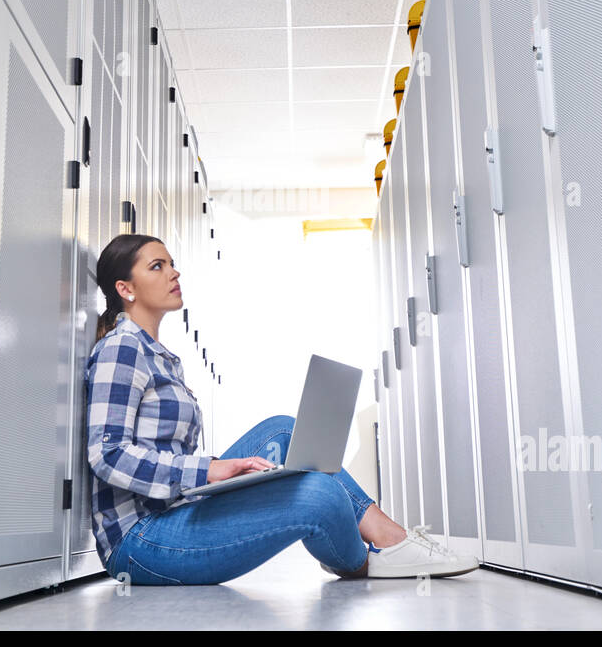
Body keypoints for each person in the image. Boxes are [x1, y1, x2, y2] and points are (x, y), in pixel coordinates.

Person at [85, 232, 480, 585]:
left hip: (176, 507)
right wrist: (209, 468)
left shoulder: (160, 355)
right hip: (141, 540)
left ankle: (392, 540)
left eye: (172, 263)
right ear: (126, 289)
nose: (174, 273)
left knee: (282, 429)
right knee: (320, 494)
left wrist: (214, 474)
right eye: (158, 266)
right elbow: (107, 455)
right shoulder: (122, 348)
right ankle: (367, 560)